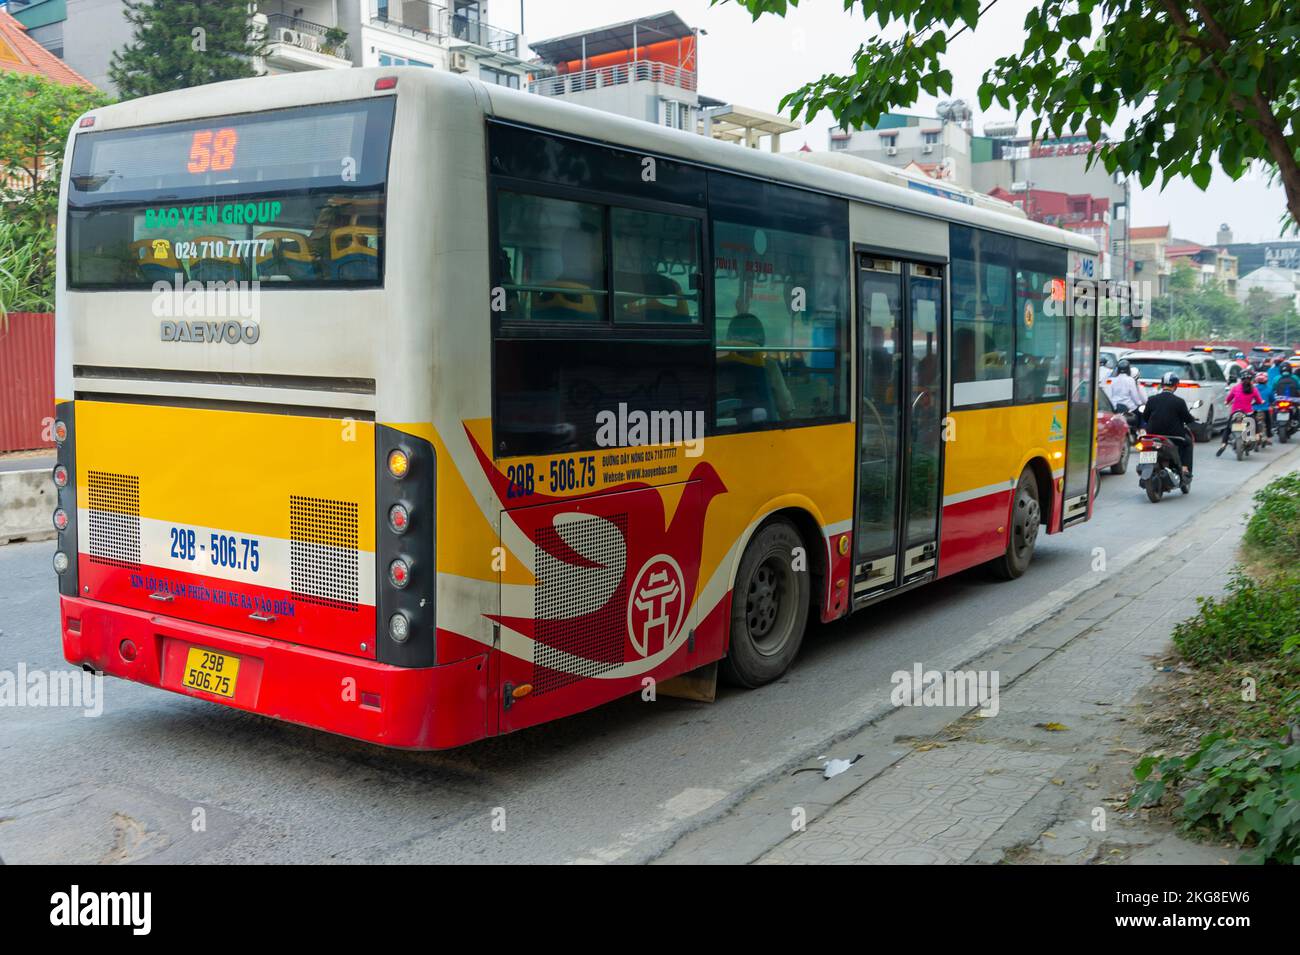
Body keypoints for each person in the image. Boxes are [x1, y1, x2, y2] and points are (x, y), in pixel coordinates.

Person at [1142, 372, 1196, 476]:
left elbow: (1145, 417)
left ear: (1162, 385)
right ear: (1175, 386)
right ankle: (1185, 468)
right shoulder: (1179, 402)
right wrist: (1192, 419)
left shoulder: (1152, 399)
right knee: (1188, 443)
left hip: (1153, 435)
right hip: (1174, 437)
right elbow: (1187, 419)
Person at [1218, 372, 1258, 455]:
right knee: (1253, 424)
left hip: (1235, 413)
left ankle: (1223, 444)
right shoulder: (1253, 389)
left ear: (1241, 379)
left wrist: (1226, 402)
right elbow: (1259, 400)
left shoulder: (1235, 388)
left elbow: (1228, 398)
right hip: (1248, 413)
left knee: (1228, 428)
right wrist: (1261, 402)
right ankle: (1255, 436)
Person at [1253, 371, 1274, 440]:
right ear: (1266, 380)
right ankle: (1269, 437)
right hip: (1265, 409)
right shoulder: (1269, 388)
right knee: (1268, 422)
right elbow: (1272, 399)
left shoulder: (1253, 388)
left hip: (1254, 409)